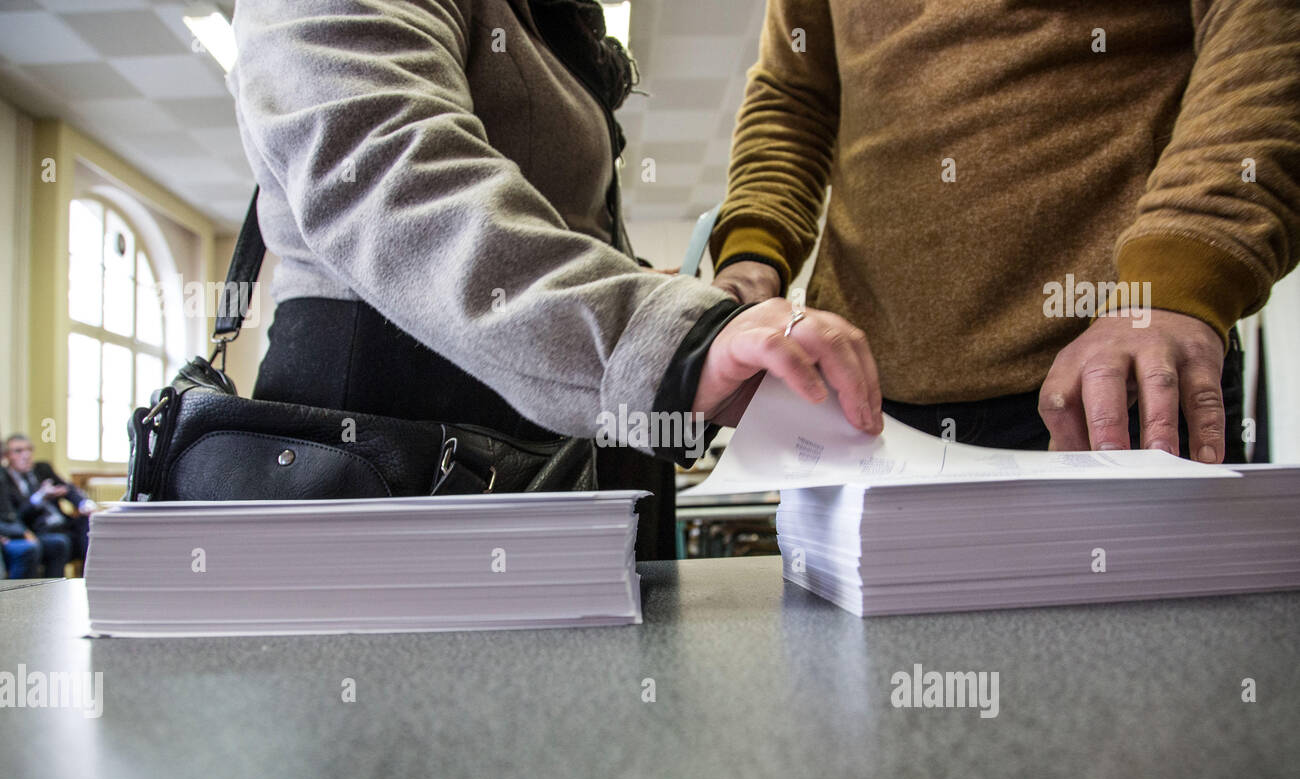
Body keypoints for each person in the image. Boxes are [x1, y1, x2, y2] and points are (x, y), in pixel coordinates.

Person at [228, 0, 883, 561]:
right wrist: (673, 342)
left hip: (548, 441)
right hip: (391, 442)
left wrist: (642, 290)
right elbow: (380, 164)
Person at [710, 1, 1300, 462]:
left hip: (1116, 374)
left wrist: (1183, 280)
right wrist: (753, 252)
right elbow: (794, 94)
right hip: (857, 397)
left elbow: (1263, 36)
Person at [3, 434, 92, 563]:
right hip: (37, 528)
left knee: (89, 522)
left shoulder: (42, 469)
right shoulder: (4, 479)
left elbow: (68, 489)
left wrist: (84, 504)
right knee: (59, 542)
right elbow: (16, 515)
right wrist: (41, 496)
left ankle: (90, 575)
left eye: (29, 450)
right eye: (18, 451)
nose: (26, 455)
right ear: (7, 456)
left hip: (61, 523)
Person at [0, 478, 70, 579]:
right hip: (10, 533)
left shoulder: (30, 477)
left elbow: (9, 514)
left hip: (16, 530)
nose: (27, 461)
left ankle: (49, 589)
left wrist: (23, 531)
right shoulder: (5, 476)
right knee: (29, 548)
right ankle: (18, 593)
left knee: (59, 543)